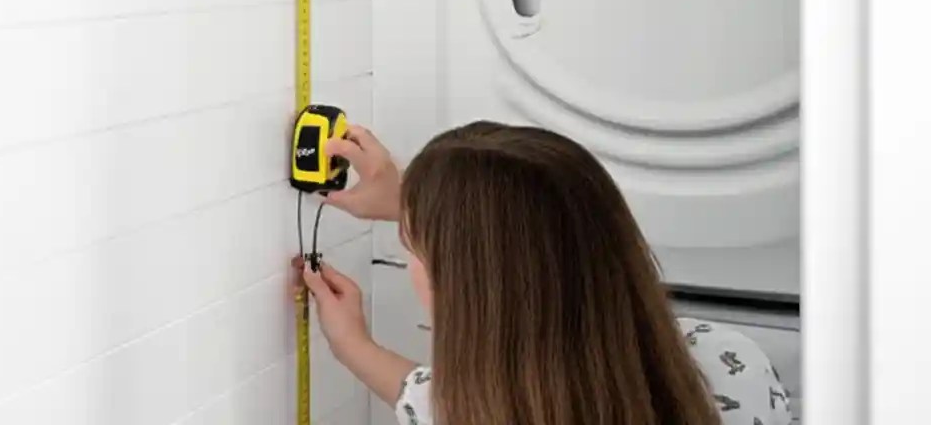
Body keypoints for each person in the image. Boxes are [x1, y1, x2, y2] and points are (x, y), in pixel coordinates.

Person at [299, 121, 793, 425]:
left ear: (469, 291)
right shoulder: (729, 361)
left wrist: (349, 343)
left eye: (412, 248)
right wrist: (424, 205)